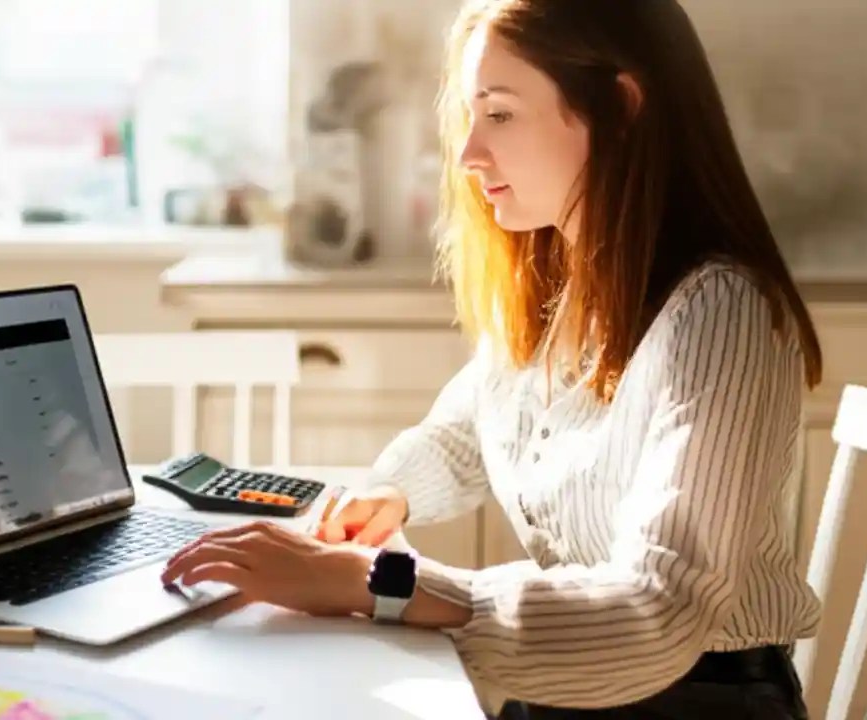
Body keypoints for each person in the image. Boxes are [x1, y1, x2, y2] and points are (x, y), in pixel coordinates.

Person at [161, 0, 821, 716]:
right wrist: (389, 493)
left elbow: (659, 606)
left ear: (620, 108)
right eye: (470, 118)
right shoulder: (564, 285)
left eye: (500, 114)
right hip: (573, 690)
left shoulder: (720, 314)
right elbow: (470, 432)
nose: (469, 154)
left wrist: (379, 582)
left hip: (702, 700)